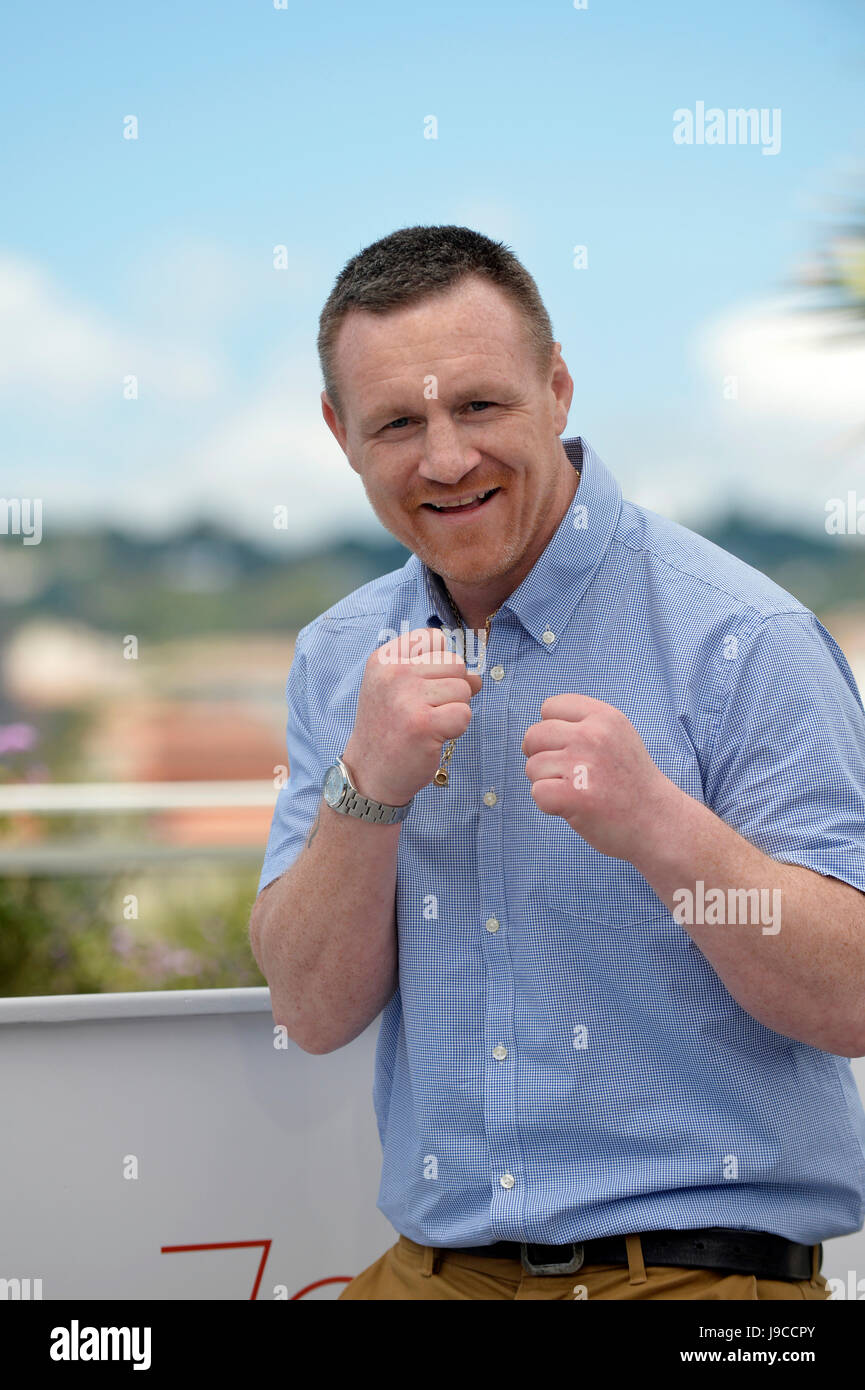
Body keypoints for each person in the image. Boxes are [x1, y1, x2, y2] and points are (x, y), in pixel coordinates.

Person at [249, 224, 865, 1301]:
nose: (444, 459)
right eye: (398, 421)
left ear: (558, 389)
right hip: (433, 1270)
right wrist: (366, 787)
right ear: (340, 433)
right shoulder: (338, 657)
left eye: (479, 406)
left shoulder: (744, 637)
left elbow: (853, 996)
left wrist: (660, 828)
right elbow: (309, 1009)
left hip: (694, 1274)